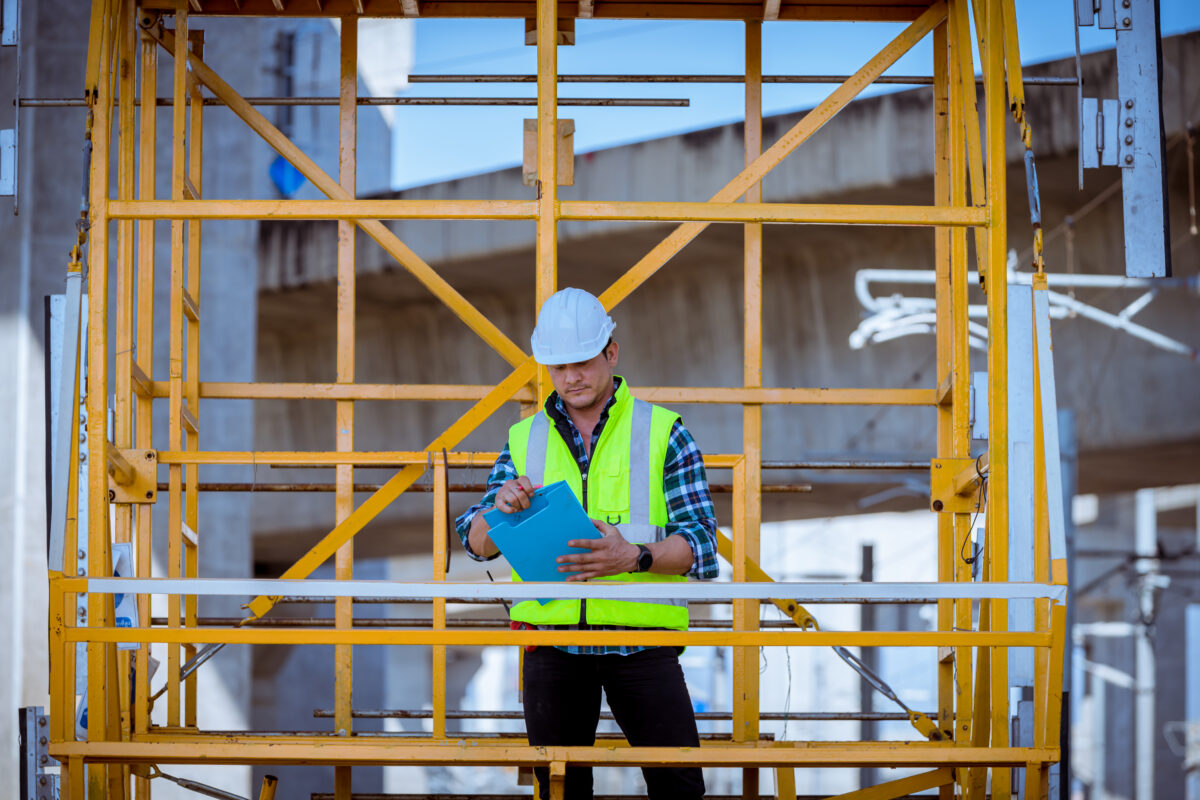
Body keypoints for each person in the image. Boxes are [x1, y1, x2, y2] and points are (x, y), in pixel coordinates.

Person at [455, 287, 719, 800]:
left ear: (611, 353)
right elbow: (476, 542)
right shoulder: (522, 438)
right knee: (559, 793)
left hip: (643, 643)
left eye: (581, 362)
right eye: (558, 367)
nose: (570, 377)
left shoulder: (665, 432)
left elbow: (703, 547)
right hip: (552, 644)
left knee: (679, 788)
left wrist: (634, 557)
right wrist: (497, 508)